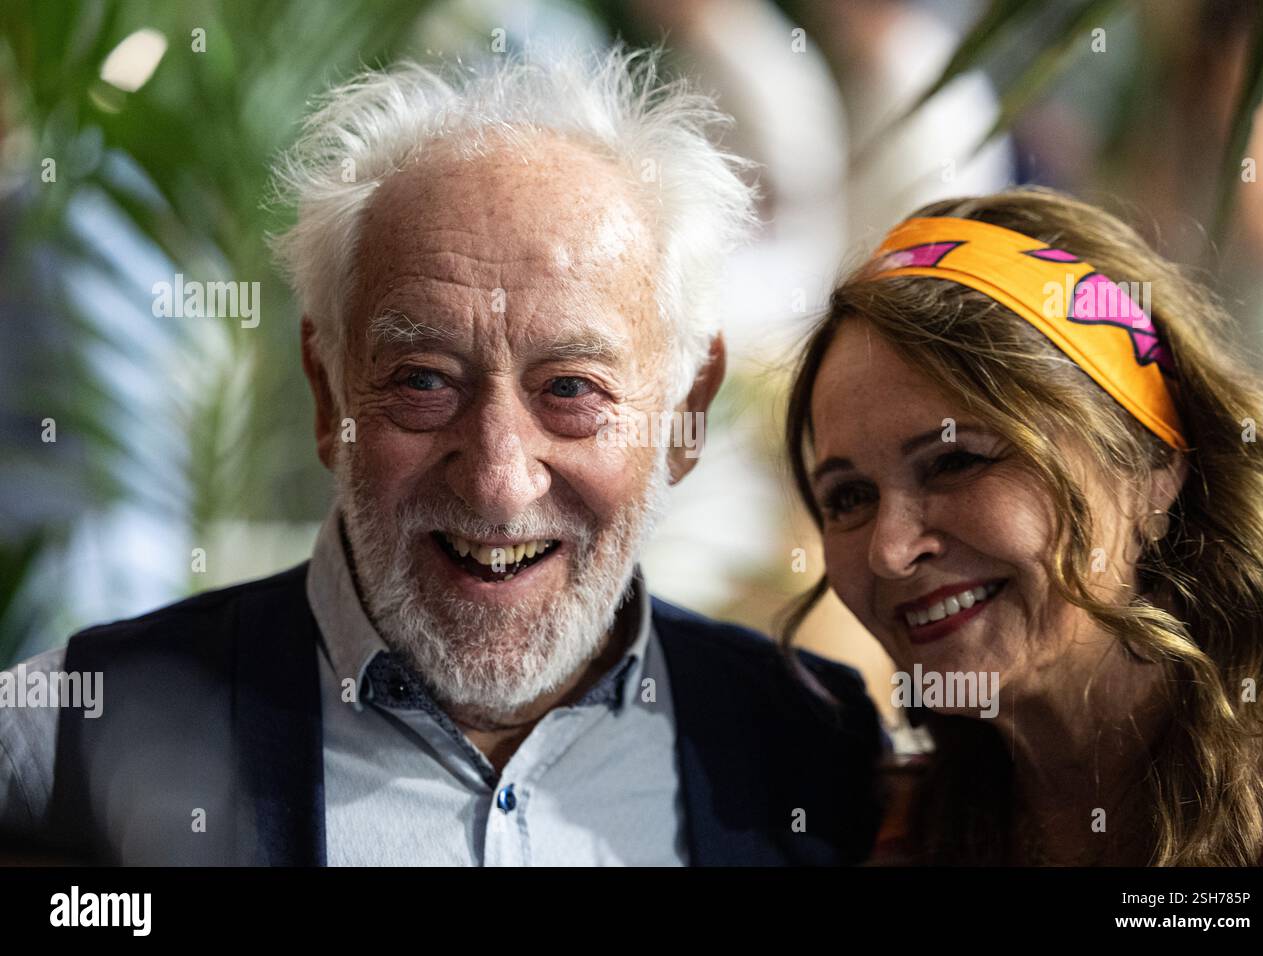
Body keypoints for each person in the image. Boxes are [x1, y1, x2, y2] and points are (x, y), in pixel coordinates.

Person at [0, 48, 885, 866]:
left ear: (686, 413)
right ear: (329, 392)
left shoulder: (818, 750)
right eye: (424, 381)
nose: (499, 481)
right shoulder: (67, 733)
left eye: (571, 389)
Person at [782, 186, 1263, 865]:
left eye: (956, 461)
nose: (890, 550)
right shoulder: (871, 829)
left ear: (1152, 467)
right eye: (849, 497)